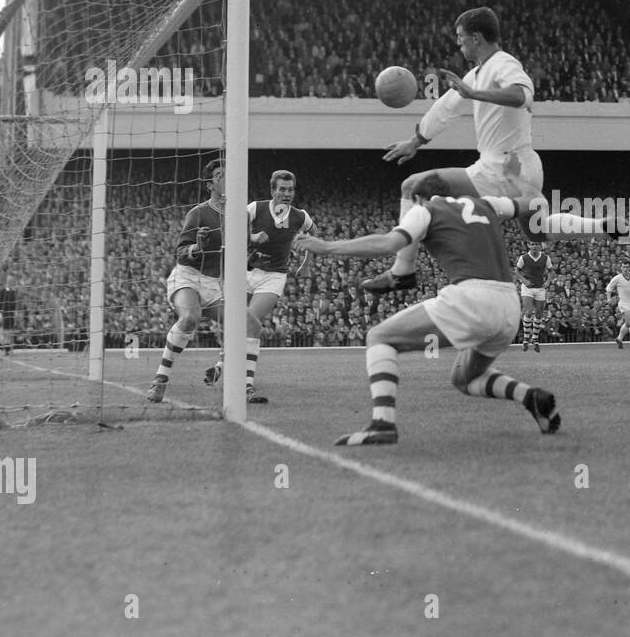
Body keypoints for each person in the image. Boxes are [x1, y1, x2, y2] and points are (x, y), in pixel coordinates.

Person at [360, 6, 630, 306]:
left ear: (477, 38)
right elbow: (448, 106)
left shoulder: (503, 64)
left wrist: (475, 95)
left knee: (413, 186)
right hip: (523, 165)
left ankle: (403, 271)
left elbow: (521, 95)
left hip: (500, 166)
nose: (459, 44)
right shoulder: (479, 72)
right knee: (539, 232)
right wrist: (416, 140)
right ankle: (606, 226)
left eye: (461, 38)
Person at [293, 172, 561, 446]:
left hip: (472, 298)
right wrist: (514, 176)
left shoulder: (426, 209)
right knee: (465, 378)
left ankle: (382, 424)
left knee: (379, 337)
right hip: (509, 306)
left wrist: (325, 246)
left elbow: (389, 244)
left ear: (418, 198)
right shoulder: (486, 203)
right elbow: (533, 202)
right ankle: (531, 397)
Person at [146, 159, 266, 405]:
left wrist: (251, 260)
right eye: (220, 174)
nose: (226, 178)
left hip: (214, 283)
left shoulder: (241, 216)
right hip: (188, 275)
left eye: (229, 174)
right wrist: (196, 247)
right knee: (190, 317)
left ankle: (247, 387)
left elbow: (235, 256)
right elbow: (179, 252)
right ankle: (160, 380)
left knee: (251, 325)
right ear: (210, 184)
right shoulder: (198, 213)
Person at [204, 170, 315, 394]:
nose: (286, 194)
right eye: (282, 189)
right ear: (272, 190)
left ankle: (243, 381)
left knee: (250, 321)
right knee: (238, 323)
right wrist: (251, 237)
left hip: (273, 277)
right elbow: (232, 227)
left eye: (290, 190)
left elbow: (313, 232)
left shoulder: (299, 216)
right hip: (245, 272)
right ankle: (225, 368)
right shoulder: (255, 208)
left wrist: (308, 262)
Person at [514, 241, 553, 352]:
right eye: (532, 244)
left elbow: (551, 271)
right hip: (528, 288)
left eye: (536, 244)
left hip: (540, 287)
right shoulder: (524, 258)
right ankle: (526, 338)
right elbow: (517, 270)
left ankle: (535, 339)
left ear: (540, 246)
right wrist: (523, 280)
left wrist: (548, 281)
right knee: (529, 311)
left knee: (540, 313)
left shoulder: (545, 258)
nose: (534, 246)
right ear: (529, 246)